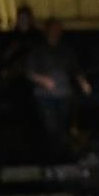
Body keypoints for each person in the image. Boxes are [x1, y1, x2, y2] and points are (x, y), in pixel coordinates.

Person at [24, 18, 78, 155]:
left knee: (63, 126)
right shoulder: (38, 50)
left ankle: (64, 154)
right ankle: (53, 155)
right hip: (45, 96)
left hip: (64, 93)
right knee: (51, 127)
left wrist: (83, 82)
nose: (56, 32)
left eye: (58, 29)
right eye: (54, 29)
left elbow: (75, 69)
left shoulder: (66, 50)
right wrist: (42, 80)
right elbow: (28, 72)